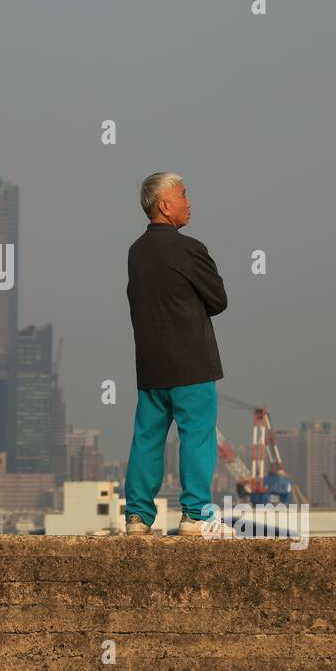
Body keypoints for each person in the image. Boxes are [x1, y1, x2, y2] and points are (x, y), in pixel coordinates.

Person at [123, 172, 237, 538]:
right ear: (164, 205)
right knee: (197, 437)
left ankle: (138, 518)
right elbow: (218, 299)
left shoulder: (135, 252)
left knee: (147, 439)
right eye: (184, 195)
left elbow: (135, 302)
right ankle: (195, 516)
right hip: (192, 364)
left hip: (151, 366)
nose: (189, 202)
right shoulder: (190, 248)